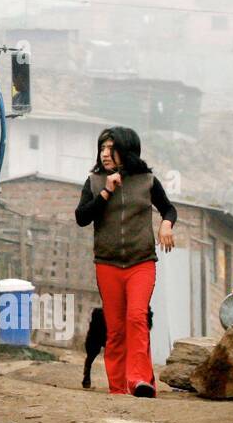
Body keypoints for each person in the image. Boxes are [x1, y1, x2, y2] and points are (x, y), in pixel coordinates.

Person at [75, 126, 177, 397]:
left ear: (127, 150)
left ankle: (140, 380)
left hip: (141, 262)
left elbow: (168, 207)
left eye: (111, 148)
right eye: (102, 148)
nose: (105, 154)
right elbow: (82, 217)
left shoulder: (147, 181)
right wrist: (106, 193)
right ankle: (118, 387)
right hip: (107, 263)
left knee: (136, 318)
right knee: (116, 328)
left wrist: (166, 224)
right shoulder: (94, 181)